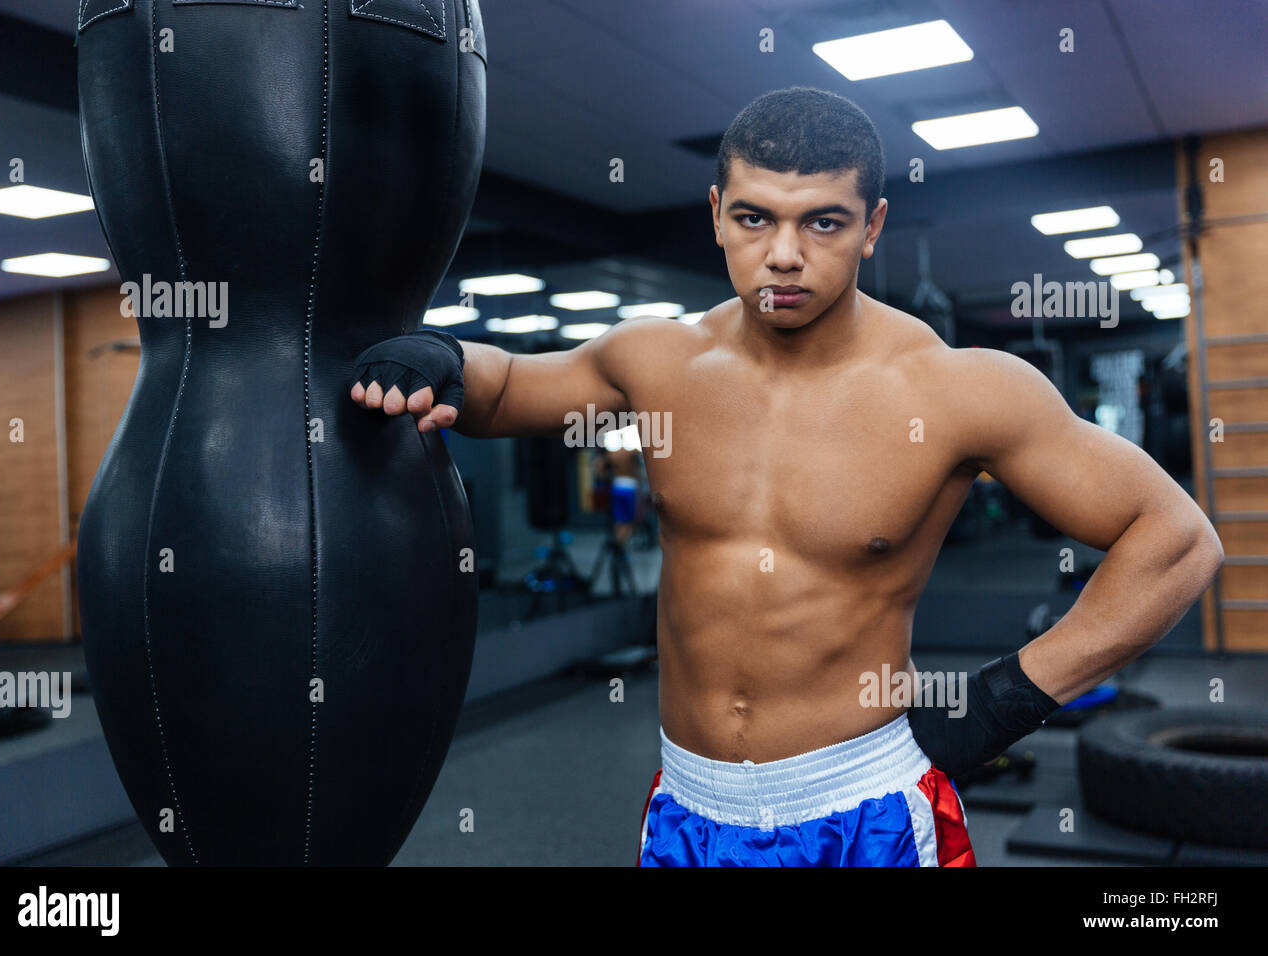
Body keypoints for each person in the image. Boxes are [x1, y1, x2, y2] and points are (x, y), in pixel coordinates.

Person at [347, 87, 1224, 866]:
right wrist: (444, 354)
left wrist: (1005, 701)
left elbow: (1177, 538)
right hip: (689, 810)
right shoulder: (659, 360)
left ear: (873, 225)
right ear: (717, 213)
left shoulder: (959, 390)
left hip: (865, 810)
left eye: (825, 222)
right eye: (757, 218)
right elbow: (510, 387)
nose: (786, 255)